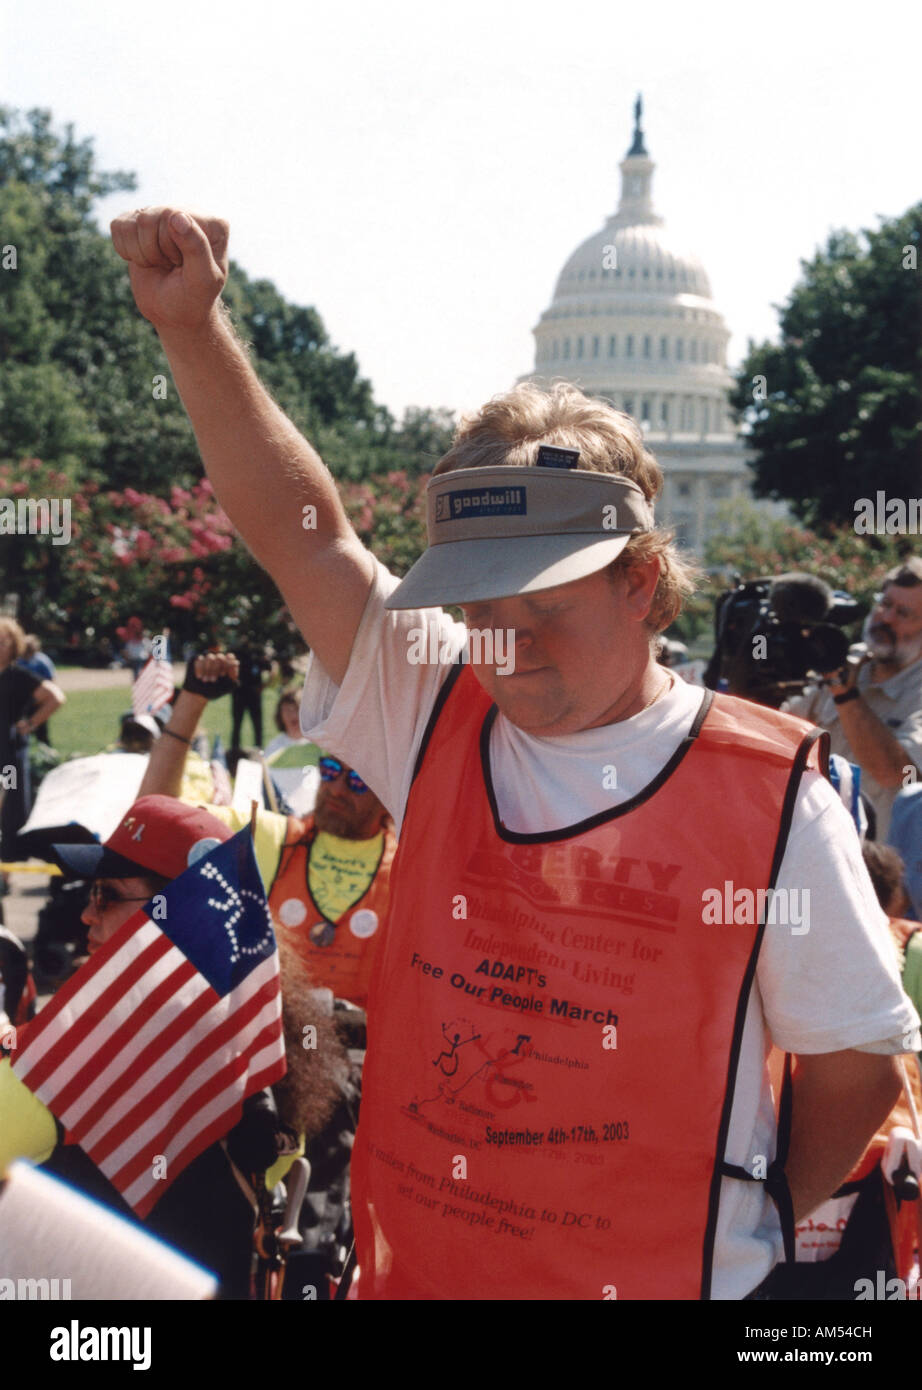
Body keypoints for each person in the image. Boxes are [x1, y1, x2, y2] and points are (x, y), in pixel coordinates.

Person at [111, 206, 920, 1301]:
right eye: (478, 602)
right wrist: (192, 331)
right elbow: (306, 532)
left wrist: (738, 1221)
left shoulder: (773, 799)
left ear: (642, 582)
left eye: (546, 596)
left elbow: (856, 1066)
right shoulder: (436, 704)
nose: (508, 638)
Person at [0, 794, 345, 1297]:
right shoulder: (269, 1051)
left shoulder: (79, 1052)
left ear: (180, 916)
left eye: (106, 895)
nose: (86, 916)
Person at [138, 653, 395, 1011]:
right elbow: (154, 818)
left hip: (368, 1053)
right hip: (276, 1047)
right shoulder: (272, 837)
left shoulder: (410, 867)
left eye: (357, 781)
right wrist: (191, 702)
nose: (336, 788)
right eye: (331, 768)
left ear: (390, 793)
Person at [784, 560, 922, 840]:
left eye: (904, 613)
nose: (886, 618)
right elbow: (784, 729)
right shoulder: (848, 661)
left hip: (883, 870)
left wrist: (844, 693)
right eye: (884, 604)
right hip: (816, 850)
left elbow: (895, 772)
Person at [0, 617, 65, 867]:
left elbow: (55, 697)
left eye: (3, 642)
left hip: (9, 752)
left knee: (9, 807)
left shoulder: (19, 676)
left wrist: (31, 723)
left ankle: (7, 868)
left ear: (13, 646)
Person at [19, 635, 57, 746]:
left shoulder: (41, 661)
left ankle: (46, 749)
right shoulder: (17, 660)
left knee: (41, 728)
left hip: (38, 701)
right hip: (21, 702)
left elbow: (51, 680)